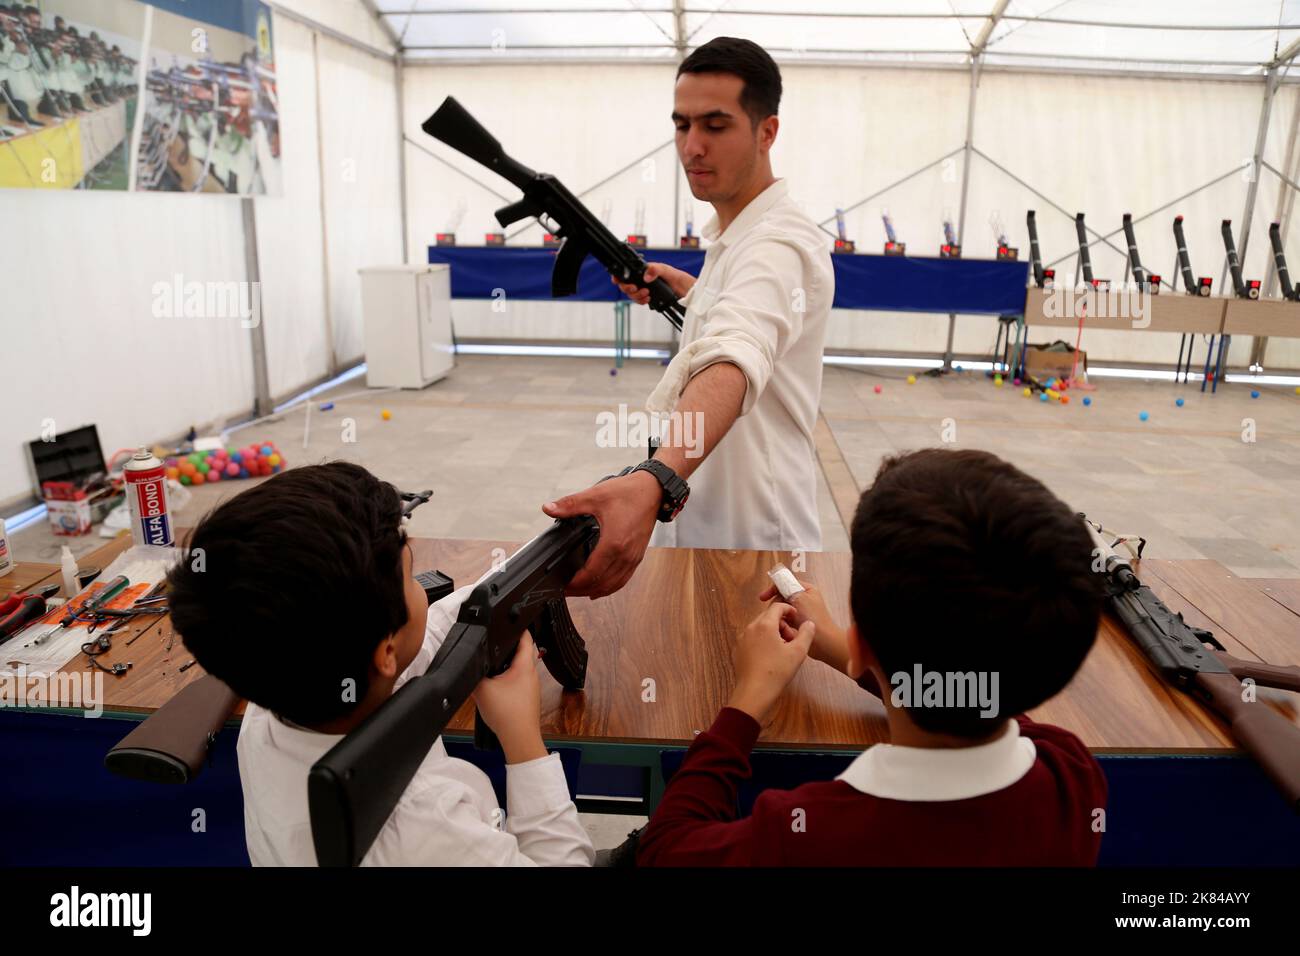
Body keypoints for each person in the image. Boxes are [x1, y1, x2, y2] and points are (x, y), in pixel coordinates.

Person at [637, 449, 1108, 866]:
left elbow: (665, 848)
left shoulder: (801, 838)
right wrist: (855, 652)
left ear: (860, 642)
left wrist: (745, 704)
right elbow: (988, 685)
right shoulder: (1073, 777)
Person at [167, 462, 595, 866]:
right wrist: (523, 743)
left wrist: (506, 593)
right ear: (384, 652)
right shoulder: (427, 824)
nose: (418, 585)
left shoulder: (273, 699)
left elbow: (410, 646)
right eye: (411, 576)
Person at [542, 36, 833, 598]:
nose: (692, 147)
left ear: (767, 132)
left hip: (754, 547)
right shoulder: (737, 236)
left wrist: (655, 478)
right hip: (716, 530)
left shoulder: (776, 243)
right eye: (682, 125)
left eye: (715, 126)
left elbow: (737, 350)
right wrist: (694, 293)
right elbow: (741, 318)